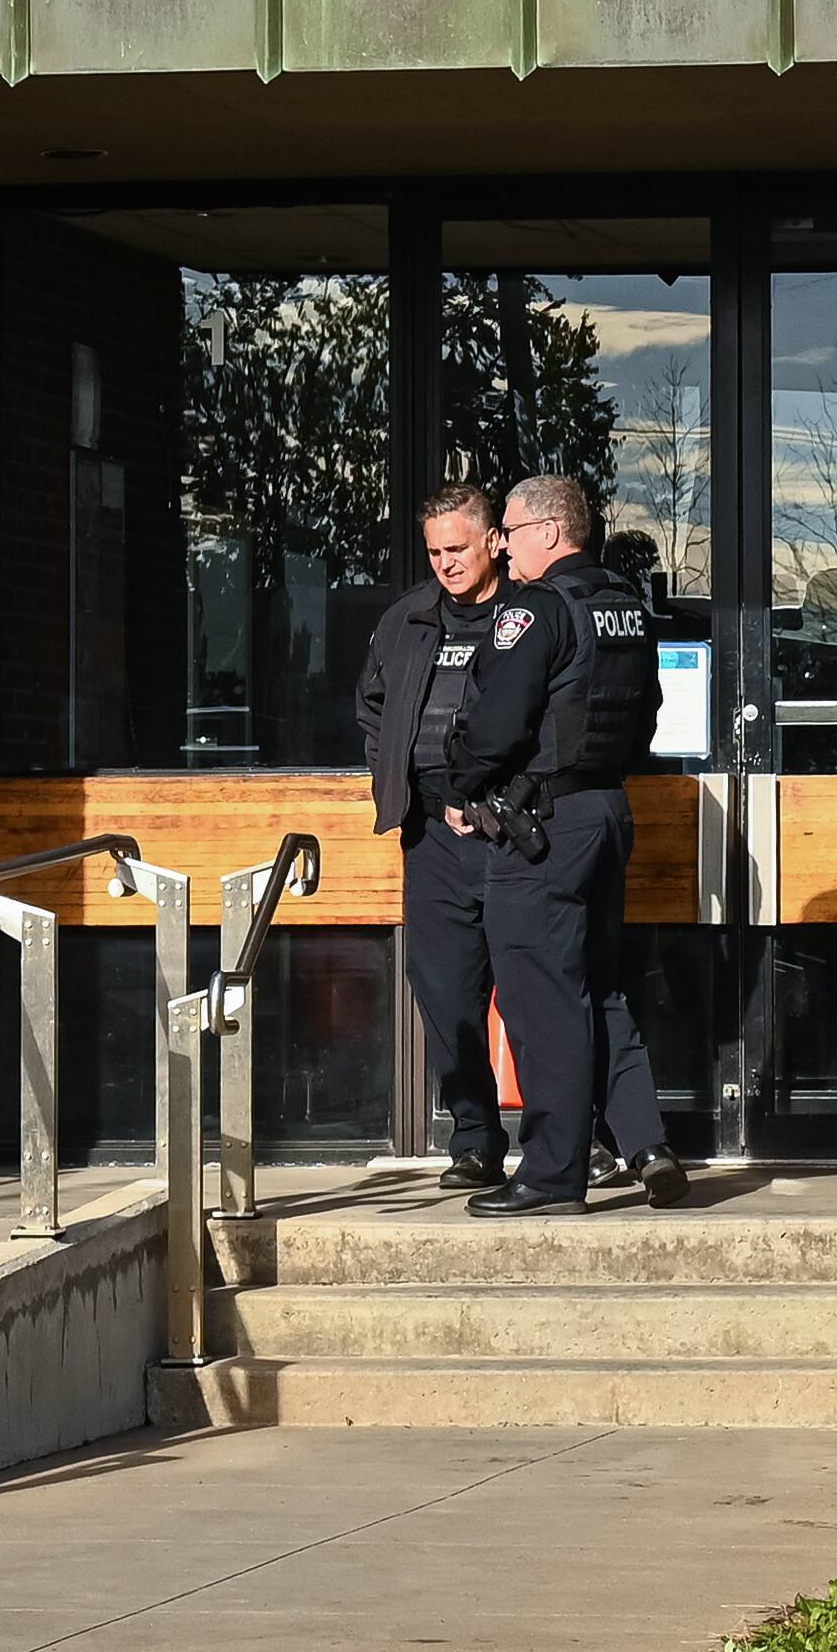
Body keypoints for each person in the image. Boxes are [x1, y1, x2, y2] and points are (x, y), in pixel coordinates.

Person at [445, 473, 690, 1215]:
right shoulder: (624, 607)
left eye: (511, 533)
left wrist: (461, 786)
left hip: (543, 827)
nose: (503, 547)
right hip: (606, 811)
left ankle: (552, 1175)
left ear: (550, 532)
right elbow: (645, 715)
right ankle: (647, 1145)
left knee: (542, 999)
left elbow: (497, 722)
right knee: (597, 985)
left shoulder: (538, 610)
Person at [356, 485, 517, 1190]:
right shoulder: (408, 619)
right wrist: (393, 776)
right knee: (447, 995)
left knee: (537, 991)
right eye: (434, 551)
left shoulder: (527, 614)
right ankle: (476, 1140)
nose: (446, 563)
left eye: (458, 548)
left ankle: (581, 1129)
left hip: (513, 832)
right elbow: (372, 707)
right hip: (430, 836)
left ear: (493, 542)